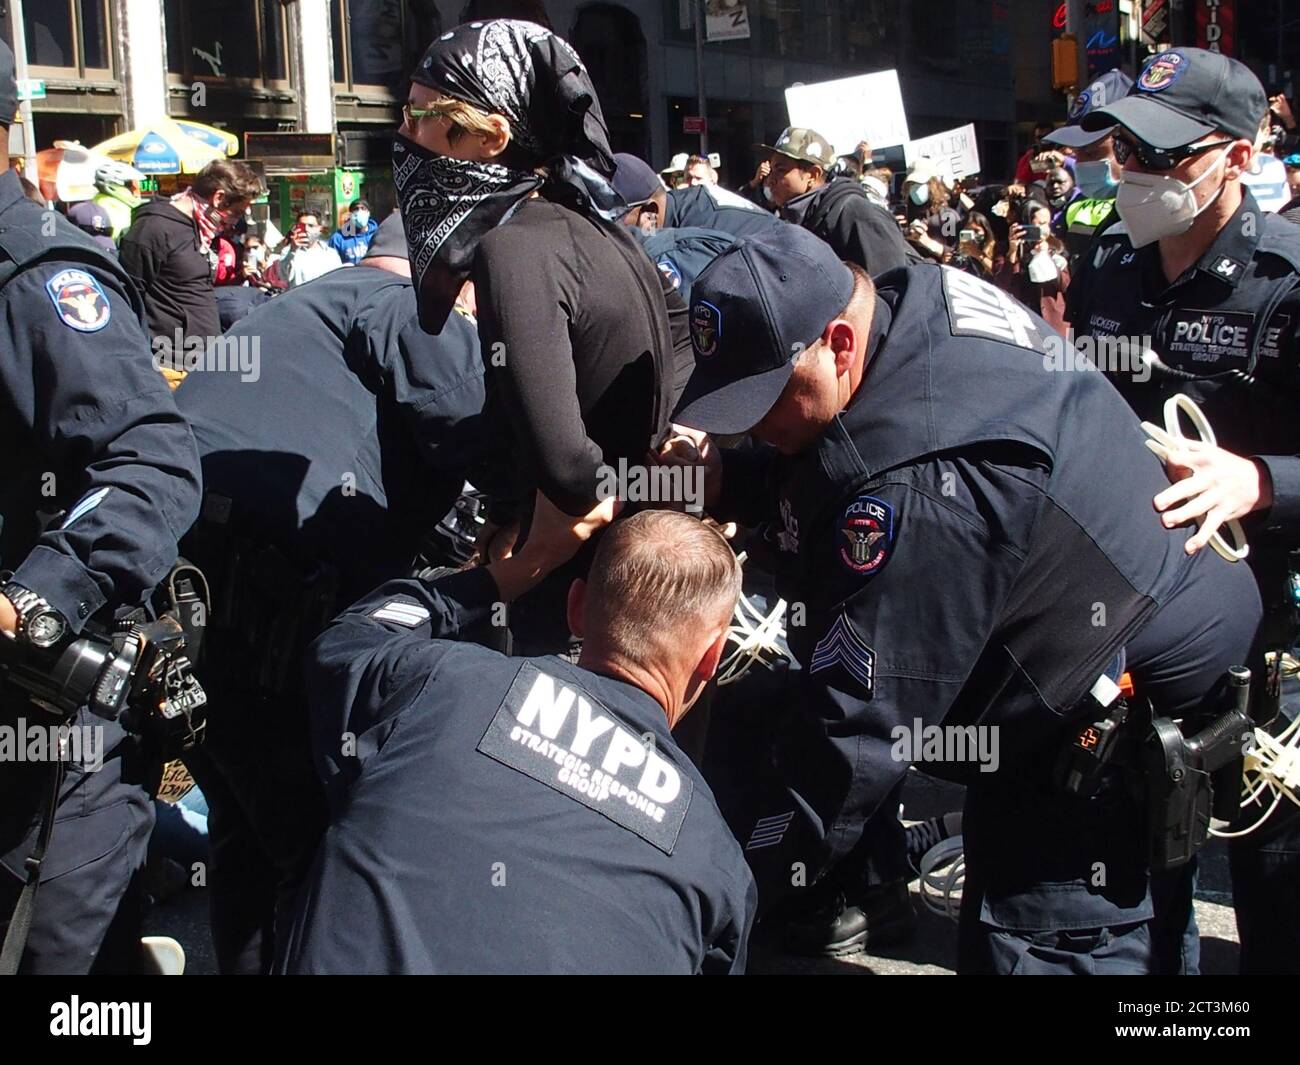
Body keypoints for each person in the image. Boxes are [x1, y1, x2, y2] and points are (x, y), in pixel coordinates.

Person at [662, 224, 1261, 973]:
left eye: (763, 399)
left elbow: (853, 740)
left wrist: (718, 897)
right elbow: (829, 458)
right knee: (1141, 920)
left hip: (1108, 705)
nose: (749, 426)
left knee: (1045, 941)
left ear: (839, 344)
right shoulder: (907, 300)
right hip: (1122, 626)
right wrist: (733, 482)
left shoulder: (919, 488)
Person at [172, 214, 486, 974]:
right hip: (271, 609)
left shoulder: (296, 308)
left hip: (187, 599)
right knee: (319, 847)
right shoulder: (409, 306)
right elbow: (479, 425)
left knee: (248, 831)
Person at [279, 504, 757, 974]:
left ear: (575, 608)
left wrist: (529, 562)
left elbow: (352, 637)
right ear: (712, 656)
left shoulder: (439, 682)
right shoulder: (716, 864)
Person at [1067, 47, 1300, 975]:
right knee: (1143, 873)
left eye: (1164, 154)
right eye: (1126, 148)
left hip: (1268, 636)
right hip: (1133, 614)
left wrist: (1262, 481)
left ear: (1239, 157)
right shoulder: (1107, 263)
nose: (1134, 171)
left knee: (1275, 881)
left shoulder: (1287, 280)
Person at [0, 38, 203, 974]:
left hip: (52, 726)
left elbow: (150, 460)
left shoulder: (37, 273)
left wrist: (33, 597)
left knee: (62, 969)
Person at [392, 19, 691, 655]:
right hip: (636, 576)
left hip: (575, 598)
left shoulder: (514, 246)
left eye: (419, 115)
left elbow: (568, 469)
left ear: (491, 137)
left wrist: (537, 534)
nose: (404, 133)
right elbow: (681, 336)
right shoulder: (598, 225)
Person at [118, 158, 262, 382]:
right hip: (171, 365)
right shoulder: (154, 229)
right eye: (236, 212)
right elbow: (127, 297)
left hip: (202, 361)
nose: (235, 223)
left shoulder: (200, 230)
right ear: (219, 198)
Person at [762, 126, 913, 275]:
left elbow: (893, 285)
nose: (770, 180)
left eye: (780, 170)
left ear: (813, 175)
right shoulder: (796, 219)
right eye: (771, 171)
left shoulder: (859, 215)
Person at [1043, 71, 1132, 262]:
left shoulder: (1158, 220)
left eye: (1091, 152)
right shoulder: (1078, 207)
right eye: (1076, 153)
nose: (1080, 163)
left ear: (1127, 145)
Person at [995, 199, 1071, 333]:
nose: (1045, 229)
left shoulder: (1056, 247)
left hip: (1053, 322)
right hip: (1022, 320)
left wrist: (1047, 257)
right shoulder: (1006, 249)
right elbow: (1002, 285)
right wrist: (1012, 251)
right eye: (1040, 224)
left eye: (1048, 224)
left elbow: (1065, 285)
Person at [269, 211, 343, 288]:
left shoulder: (331, 254)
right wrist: (293, 250)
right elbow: (283, 276)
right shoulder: (288, 252)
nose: (306, 229)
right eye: (302, 226)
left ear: (320, 229)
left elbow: (338, 280)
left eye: (311, 226)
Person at [327, 199, 379, 265]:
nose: (360, 211)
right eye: (356, 209)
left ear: (368, 213)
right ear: (350, 214)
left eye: (363, 208)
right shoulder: (338, 238)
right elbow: (332, 264)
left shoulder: (378, 235)